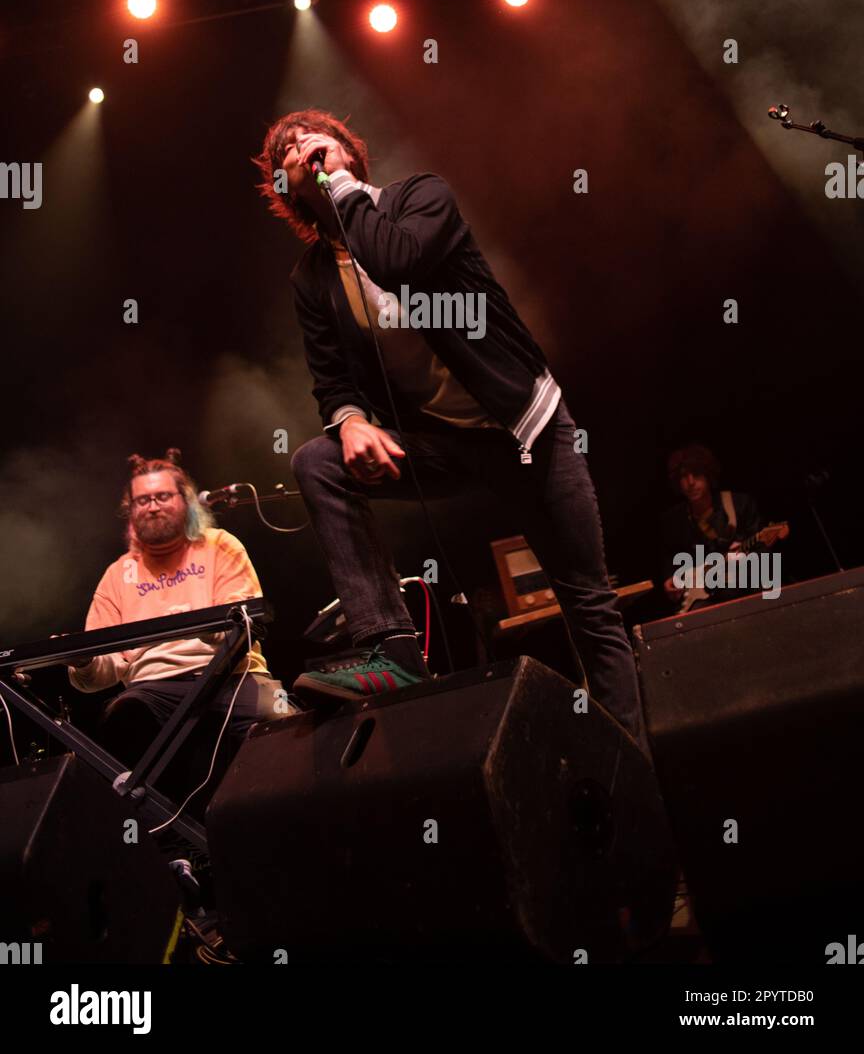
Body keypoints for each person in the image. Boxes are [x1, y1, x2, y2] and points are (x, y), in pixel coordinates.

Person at [253, 108, 648, 753]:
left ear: (349, 151)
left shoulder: (420, 199)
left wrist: (344, 188)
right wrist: (350, 422)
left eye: (317, 141)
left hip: (528, 428)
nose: (307, 151)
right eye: (291, 152)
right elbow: (332, 378)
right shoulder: (312, 279)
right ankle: (393, 646)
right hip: (445, 443)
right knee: (316, 462)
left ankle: (628, 764)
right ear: (283, 185)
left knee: (588, 603)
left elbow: (397, 260)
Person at [67, 449, 297, 899]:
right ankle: (175, 854)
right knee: (123, 714)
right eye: (142, 500)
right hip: (154, 688)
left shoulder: (220, 546)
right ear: (131, 512)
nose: (152, 505)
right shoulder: (119, 575)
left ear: (186, 501)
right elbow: (106, 668)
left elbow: (244, 626)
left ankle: (285, 839)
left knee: (284, 717)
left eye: (163, 496)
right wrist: (82, 663)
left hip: (232, 677)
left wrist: (203, 631)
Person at [660, 443, 780, 606]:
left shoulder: (740, 504)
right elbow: (672, 556)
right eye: (683, 477)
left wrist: (747, 557)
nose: (691, 482)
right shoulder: (675, 520)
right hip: (703, 596)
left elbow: (763, 551)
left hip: (745, 585)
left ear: (708, 475)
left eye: (696, 475)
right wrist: (671, 578)